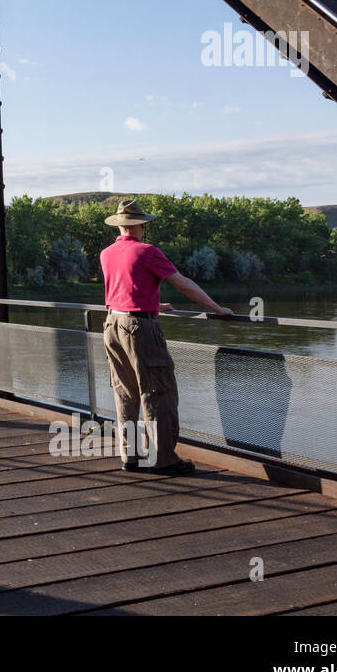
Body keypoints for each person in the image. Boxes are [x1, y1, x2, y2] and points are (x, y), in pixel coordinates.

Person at [99, 198, 233, 475]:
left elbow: (122, 289)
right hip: (140, 328)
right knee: (158, 391)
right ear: (140, 225)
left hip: (112, 323)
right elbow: (183, 284)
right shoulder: (147, 251)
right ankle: (163, 459)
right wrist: (216, 308)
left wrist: (151, 303)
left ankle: (131, 456)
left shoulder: (107, 253)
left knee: (125, 392)